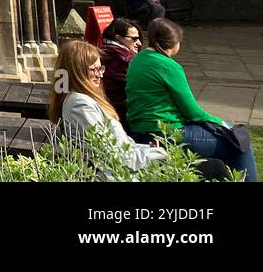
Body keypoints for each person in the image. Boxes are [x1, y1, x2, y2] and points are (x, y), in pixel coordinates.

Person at [126, 18, 258, 182]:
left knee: (227, 148)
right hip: (167, 133)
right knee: (240, 141)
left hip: (141, 131)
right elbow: (193, 112)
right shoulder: (168, 66)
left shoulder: (138, 59)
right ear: (175, 44)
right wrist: (222, 123)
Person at [48, 39, 166, 175]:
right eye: (94, 69)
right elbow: (111, 154)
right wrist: (159, 153)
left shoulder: (82, 98)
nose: (100, 74)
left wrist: (145, 149)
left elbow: (117, 147)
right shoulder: (80, 105)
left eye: (100, 68)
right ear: (77, 72)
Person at [99, 17, 141, 130]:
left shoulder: (101, 51)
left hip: (104, 110)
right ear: (118, 38)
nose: (139, 43)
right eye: (134, 39)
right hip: (123, 116)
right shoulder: (125, 59)